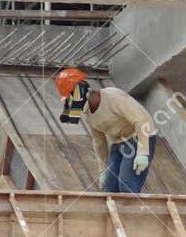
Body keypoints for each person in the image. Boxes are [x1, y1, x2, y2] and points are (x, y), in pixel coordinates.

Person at [55, 66, 158, 195]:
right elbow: (99, 143)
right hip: (118, 143)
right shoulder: (89, 115)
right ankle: (116, 214)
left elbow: (142, 120)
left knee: (126, 184)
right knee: (109, 188)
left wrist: (143, 153)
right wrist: (103, 171)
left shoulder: (113, 97)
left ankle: (132, 213)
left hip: (140, 136)